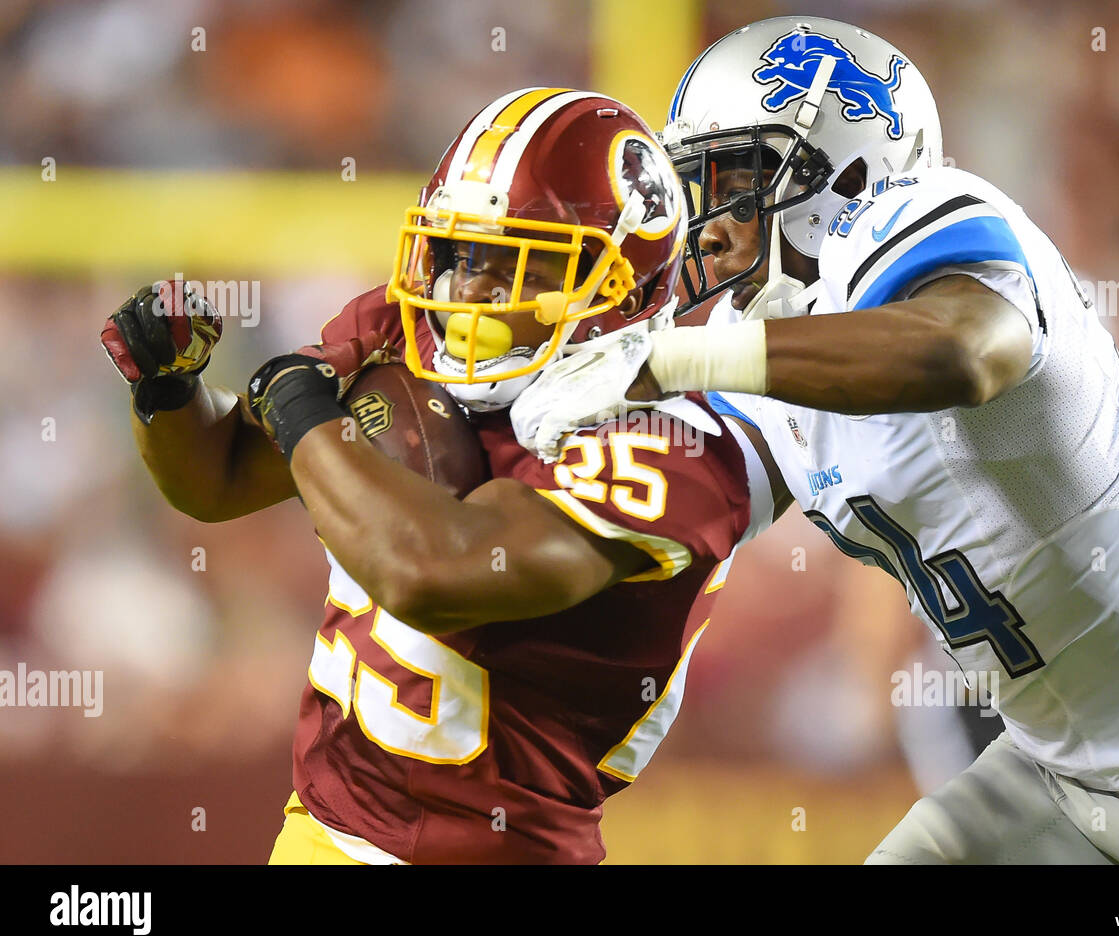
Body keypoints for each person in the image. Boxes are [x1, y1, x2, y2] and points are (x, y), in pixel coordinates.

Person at [510, 18, 1119, 864]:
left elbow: (961, 349)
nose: (706, 224)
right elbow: (678, 497)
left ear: (839, 170)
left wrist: (668, 358)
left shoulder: (928, 220)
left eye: (734, 179)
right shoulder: (769, 347)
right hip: (1055, 774)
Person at [100, 88, 763, 864]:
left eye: (517, 260)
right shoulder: (407, 333)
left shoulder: (664, 444)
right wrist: (169, 390)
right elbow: (216, 480)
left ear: (617, 286)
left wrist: (305, 412)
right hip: (321, 833)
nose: (468, 289)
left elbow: (430, 570)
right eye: (460, 253)